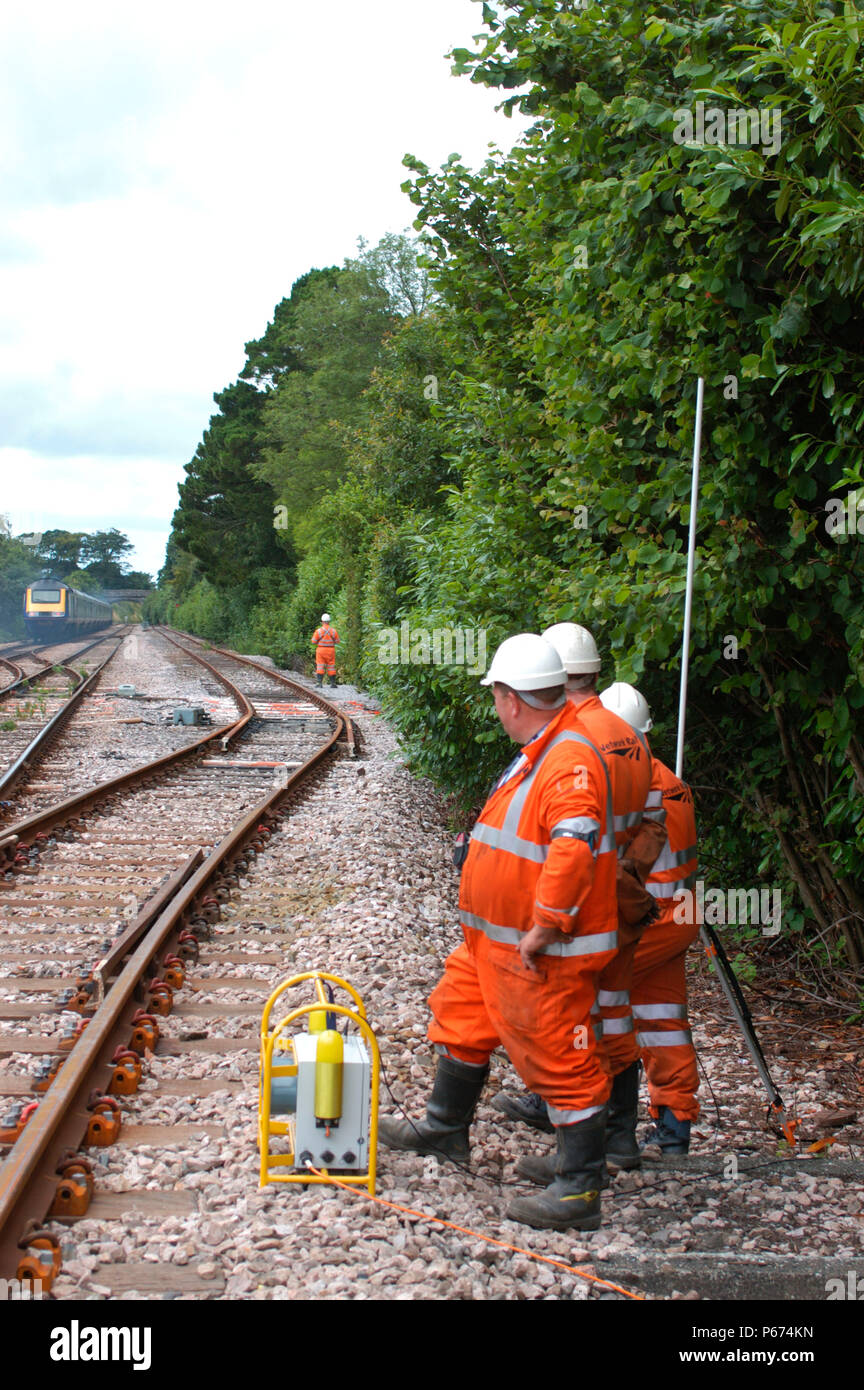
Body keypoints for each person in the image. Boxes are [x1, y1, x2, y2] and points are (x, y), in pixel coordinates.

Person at [377, 633, 620, 1232]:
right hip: (491, 941)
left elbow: (574, 843)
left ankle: (578, 1190)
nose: (495, 707)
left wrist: (545, 925)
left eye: (495, 696)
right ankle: (444, 1128)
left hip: (535, 948)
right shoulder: (543, 748)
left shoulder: (568, 758)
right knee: (461, 1016)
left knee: (559, 1053)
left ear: (511, 698)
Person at [494, 624, 665, 1176]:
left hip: (576, 908)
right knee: (614, 1017)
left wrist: (549, 911)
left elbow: (570, 830)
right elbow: (653, 820)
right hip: (621, 901)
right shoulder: (630, 736)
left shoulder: (574, 740)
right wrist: (628, 877)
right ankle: (619, 1141)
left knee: (572, 1023)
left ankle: (579, 1161)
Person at [601, 682, 700, 1153]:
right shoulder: (671, 782)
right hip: (679, 917)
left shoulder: (634, 789)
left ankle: (571, 1106)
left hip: (648, 922)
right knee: (663, 1017)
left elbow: (622, 871)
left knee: (589, 1001)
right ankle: (674, 1129)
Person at [311, 612, 340, 687]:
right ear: (329, 621)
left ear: (322, 621)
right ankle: (333, 683)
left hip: (321, 651)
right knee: (331, 666)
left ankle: (319, 683)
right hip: (331, 651)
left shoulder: (319, 631)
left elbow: (313, 641)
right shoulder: (333, 631)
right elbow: (337, 641)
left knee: (320, 666)